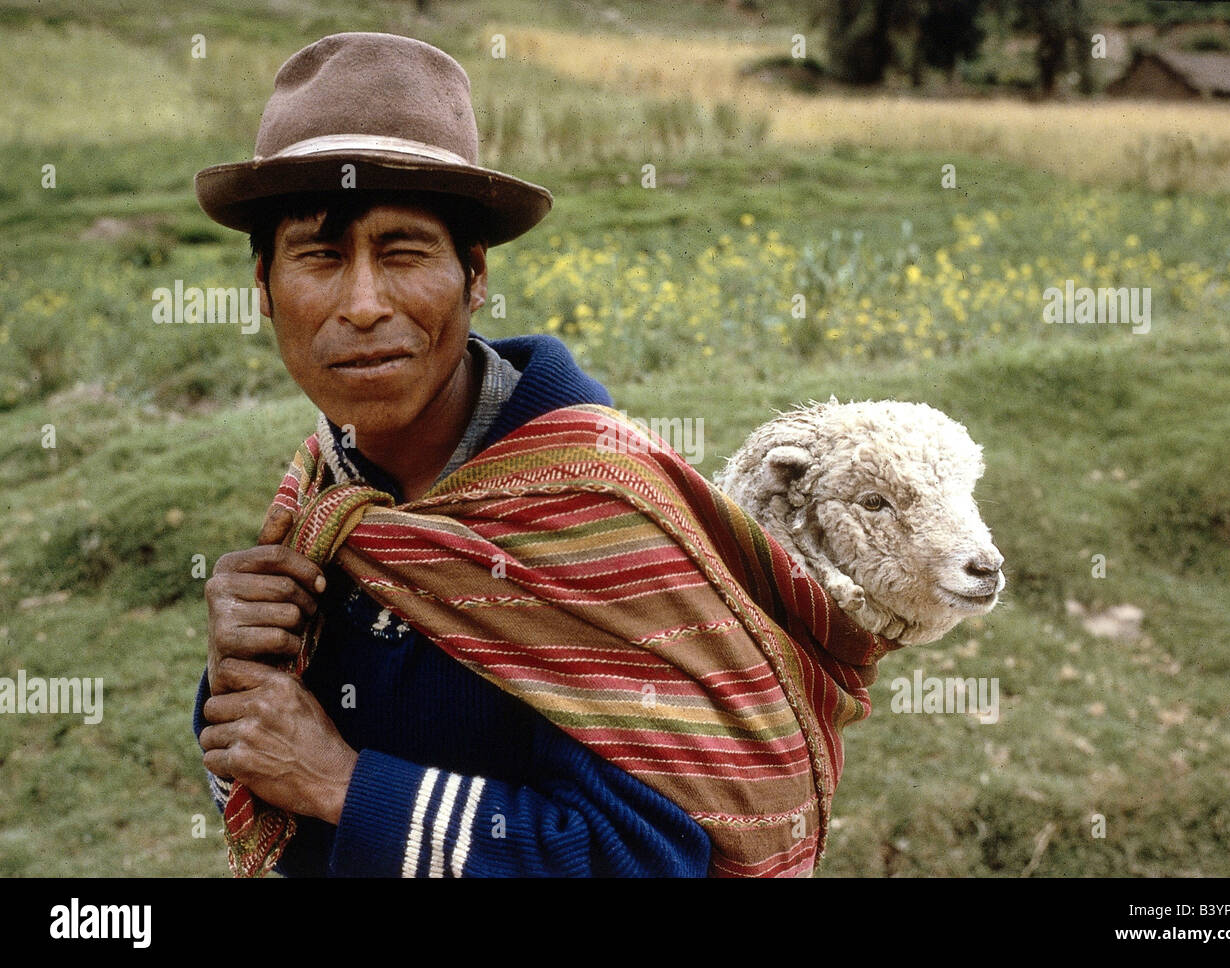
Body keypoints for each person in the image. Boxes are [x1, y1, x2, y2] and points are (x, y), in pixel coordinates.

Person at [192, 32, 898, 878]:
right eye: (320, 256)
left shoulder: (599, 514)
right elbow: (263, 775)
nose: (365, 304)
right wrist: (238, 671)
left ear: (475, 274)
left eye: (404, 252)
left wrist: (345, 786)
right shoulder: (326, 494)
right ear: (264, 290)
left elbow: (647, 856)